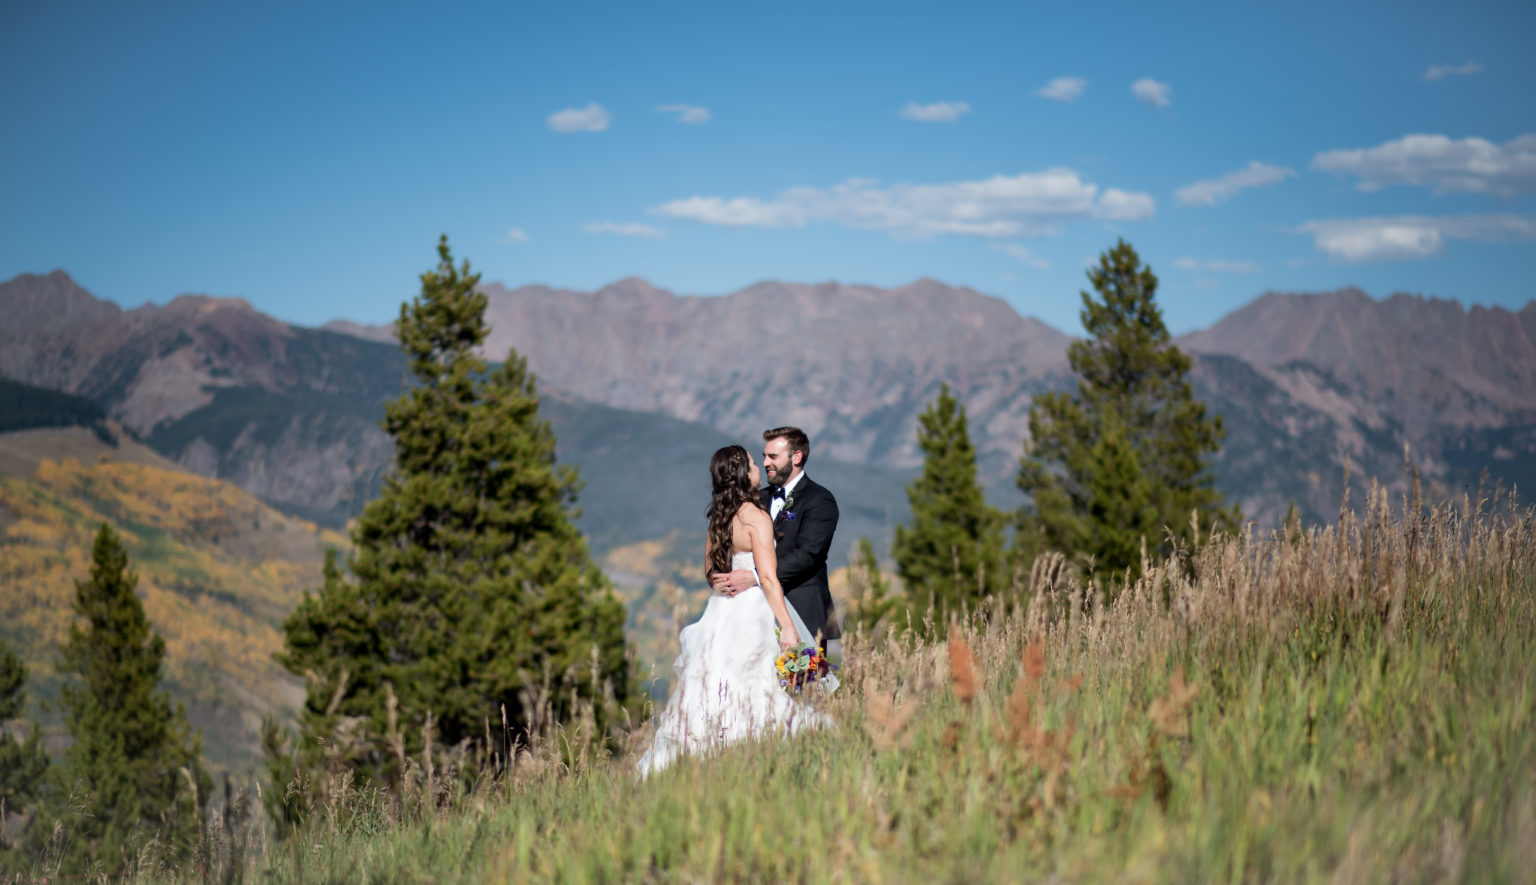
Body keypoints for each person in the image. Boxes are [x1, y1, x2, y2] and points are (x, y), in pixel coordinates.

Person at [636, 445, 829, 776]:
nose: (758, 468)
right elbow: (768, 579)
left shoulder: (719, 519)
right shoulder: (757, 518)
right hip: (753, 610)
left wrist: (723, 583)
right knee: (759, 683)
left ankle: (707, 754)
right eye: (754, 463)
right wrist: (788, 626)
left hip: (720, 611)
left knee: (715, 684)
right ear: (743, 474)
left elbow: (710, 572)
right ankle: (759, 756)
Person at [712, 427, 841, 655]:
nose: (764, 463)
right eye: (763, 456)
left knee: (820, 688)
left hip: (807, 613)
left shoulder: (820, 500)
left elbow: (808, 555)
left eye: (772, 456)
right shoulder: (756, 499)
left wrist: (753, 576)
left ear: (796, 457)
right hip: (757, 617)